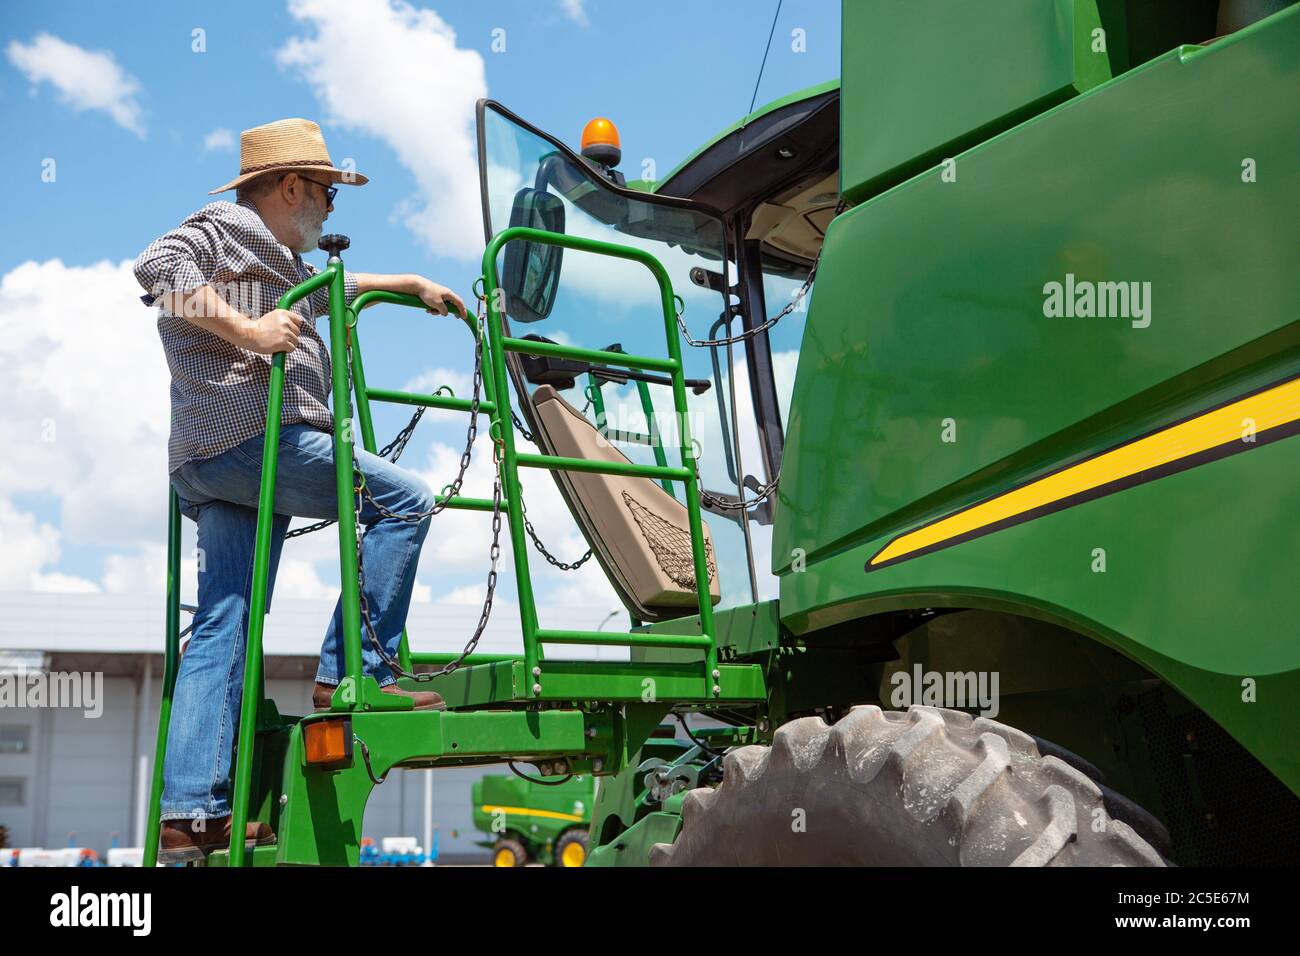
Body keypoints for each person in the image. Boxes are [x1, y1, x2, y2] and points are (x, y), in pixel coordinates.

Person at [133, 117, 466, 863]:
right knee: (403, 500)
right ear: (291, 187)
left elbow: (332, 290)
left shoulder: (277, 264)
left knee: (225, 619)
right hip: (257, 444)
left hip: (213, 462)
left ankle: (192, 812)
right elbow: (157, 271)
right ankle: (353, 676)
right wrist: (249, 337)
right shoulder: (228, 225)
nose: (330, 211)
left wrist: (407, 283)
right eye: (327, 196)